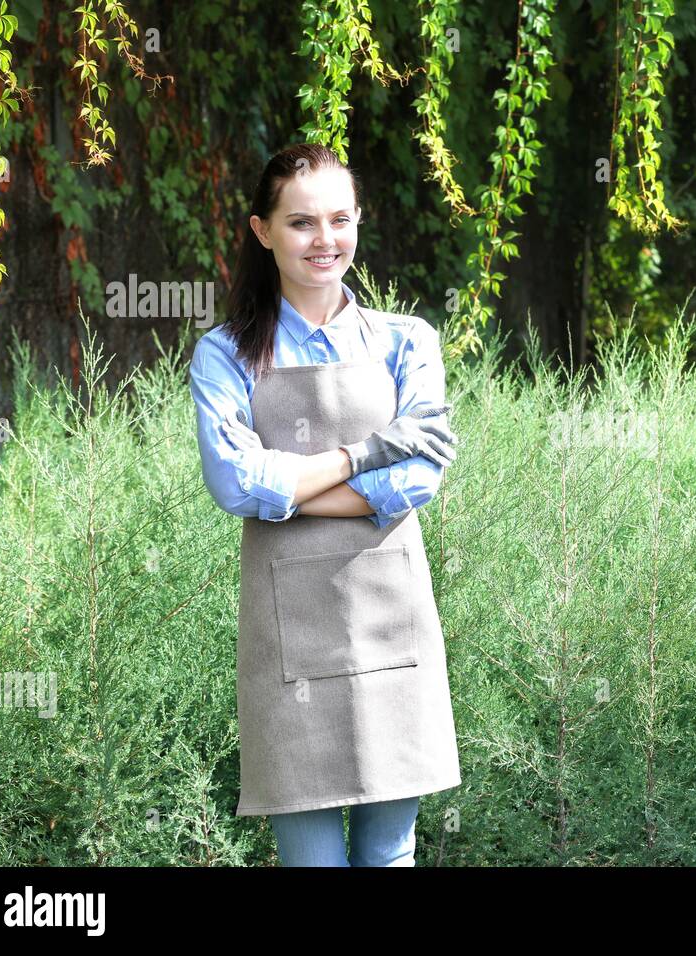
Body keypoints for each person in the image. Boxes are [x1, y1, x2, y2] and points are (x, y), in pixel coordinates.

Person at [188, 142, 463, 866]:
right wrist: (363, 454)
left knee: (390, 856)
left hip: (393, 625)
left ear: (359, 224)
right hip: (289, 645)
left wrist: (295, 487)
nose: (325, 239)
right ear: (262, 231)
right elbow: (233, 484)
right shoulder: (225, 354)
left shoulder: (409, 342)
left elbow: (420, 480)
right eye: (302, 222)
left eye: (340, 220)